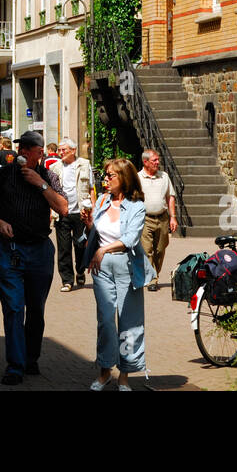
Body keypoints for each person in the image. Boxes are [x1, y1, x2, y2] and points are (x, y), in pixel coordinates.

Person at [0, 130, 67, 385]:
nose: (24, 155)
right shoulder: (3, 175)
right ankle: (15, 365)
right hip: (10, 250)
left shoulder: (48, 176)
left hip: (39, 250)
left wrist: (39, 184)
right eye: (23, 150)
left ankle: (31, 358)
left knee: (36, 310)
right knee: (14, 308)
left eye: (30, 152)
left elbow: (63, 208)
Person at [82, 159, 155, 390]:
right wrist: (89, 225)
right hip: (101, 268)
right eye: (106, 175)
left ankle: (125, 375)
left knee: (129, 324)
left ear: (124, 178)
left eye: (111, 176)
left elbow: (130, 240)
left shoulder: (137, 206)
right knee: (105, 321)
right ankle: (105, 371)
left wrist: (103, 249)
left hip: (127, 267)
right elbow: (95, 234)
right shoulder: (102, 201)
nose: (106, 180)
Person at [50, 138, 95, 291]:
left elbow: (91, 188)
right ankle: (67, 280)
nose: (61, 152)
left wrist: (93, 210)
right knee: (63, 248)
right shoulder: (55, 167)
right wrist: (51, 211)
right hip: (62, 212)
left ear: (73, 150)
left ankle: (81, 270)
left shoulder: (84, 164)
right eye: (60, 150)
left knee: (80, 244)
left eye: (64, 150)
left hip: (81, 212)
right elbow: (51, 191)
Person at [138, 148, 178, 291]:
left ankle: (155, 273)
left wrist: (173, 217)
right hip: (145, 219)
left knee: (160, 249)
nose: (157, 162)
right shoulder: (138, 178)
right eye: (154, 160)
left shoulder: (164, 176)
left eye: (157, 159)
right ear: (145, 162)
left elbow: (170, 197)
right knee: (147, 250)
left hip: (162, 218)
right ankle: (152, 279)